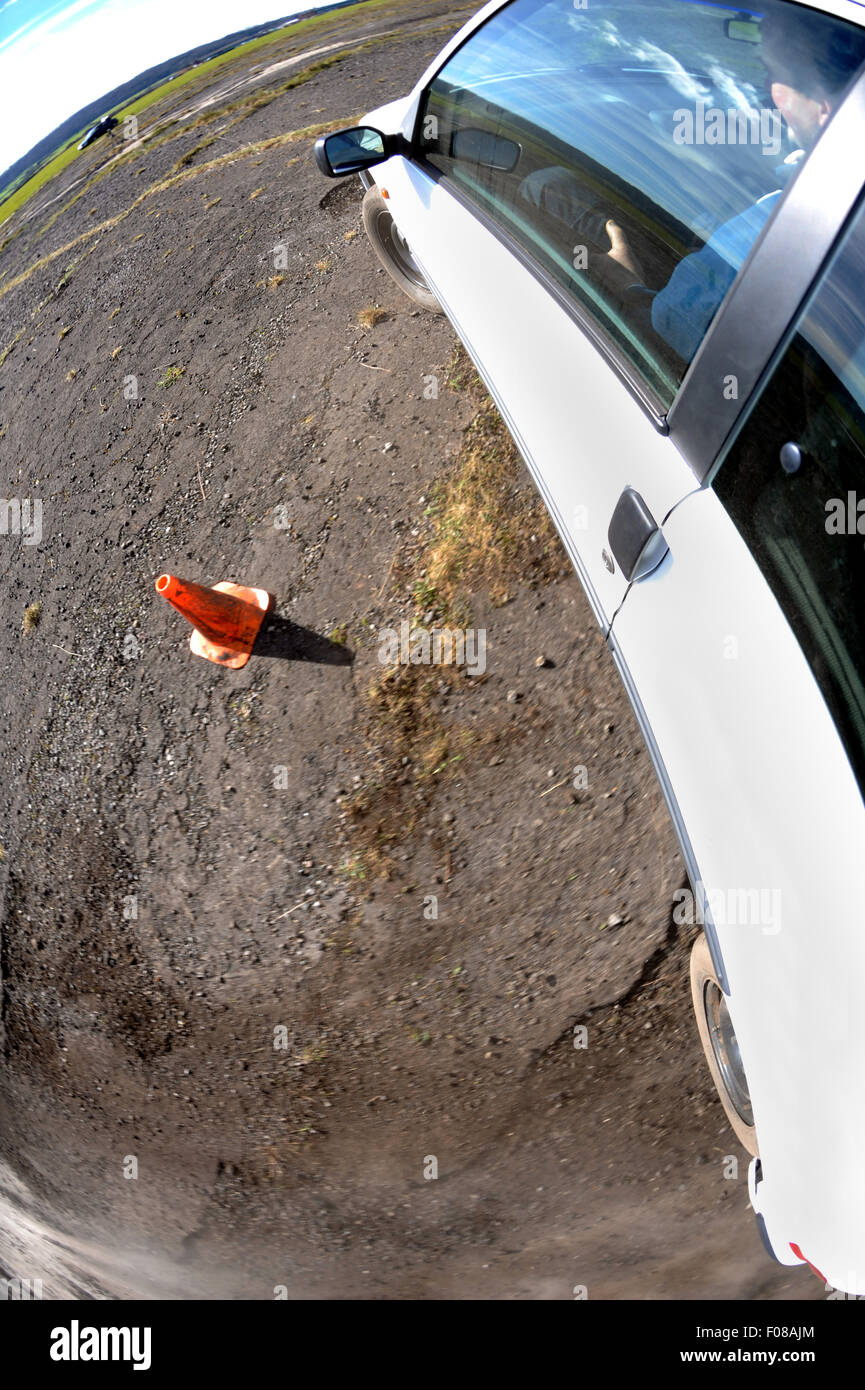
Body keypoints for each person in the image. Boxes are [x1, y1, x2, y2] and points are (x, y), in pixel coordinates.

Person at [593, 9, 865, 362]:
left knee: (558, 191)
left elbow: (666, 331)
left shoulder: (781, 228)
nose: (767, 92)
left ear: (826, 107)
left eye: (774, 74)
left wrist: (627, 285)